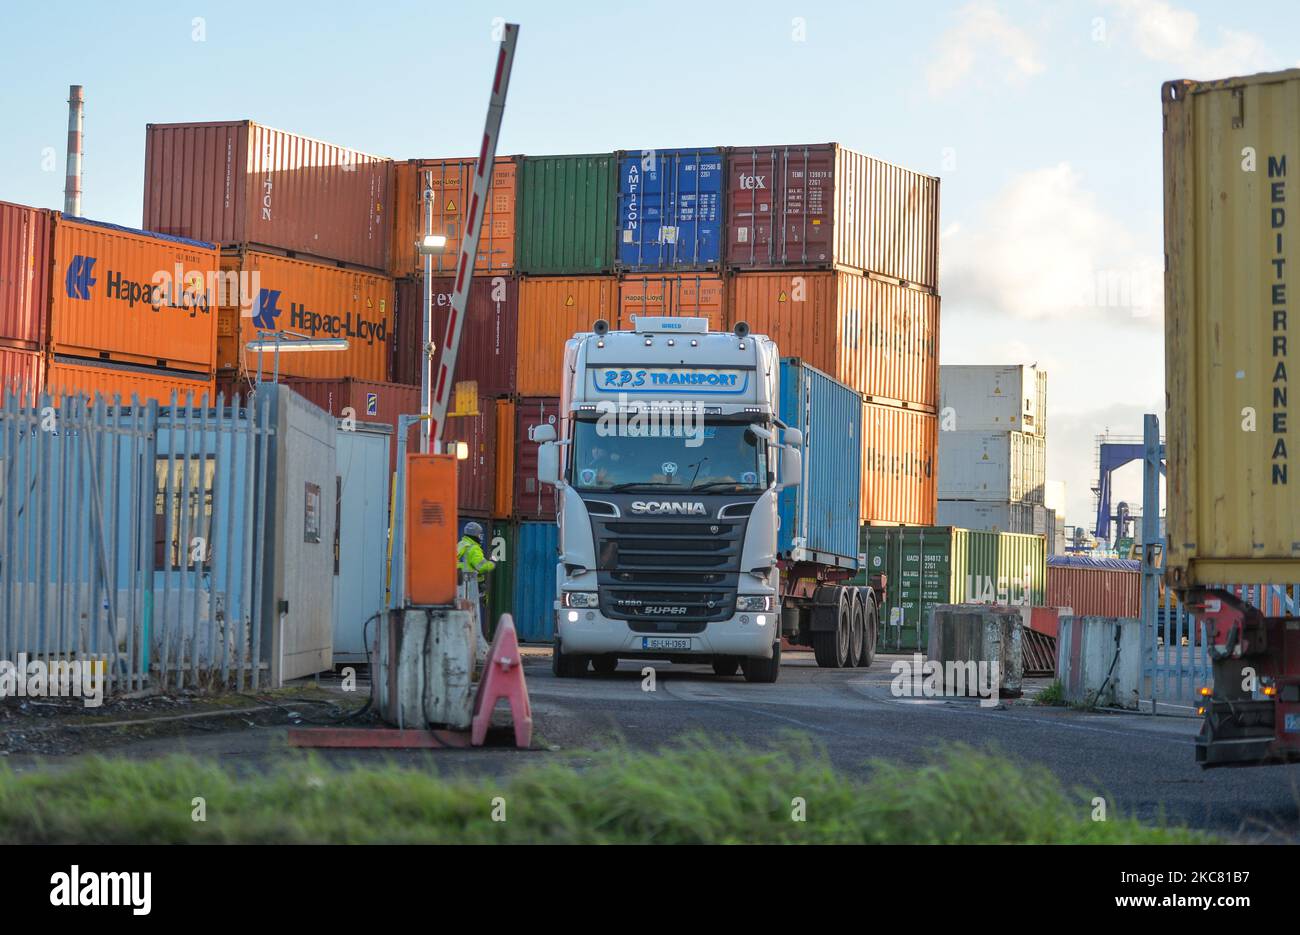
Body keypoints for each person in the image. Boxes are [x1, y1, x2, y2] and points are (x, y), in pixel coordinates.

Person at [457, 521, 495, 638]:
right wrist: (492, 563)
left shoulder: (461, 544)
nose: (481, 537)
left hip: (459, 584)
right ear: (475, 535)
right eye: (480, 534)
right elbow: (481, 566)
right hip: (472, 585)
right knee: (473, 613)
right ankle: (474, 637)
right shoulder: (474, 548)